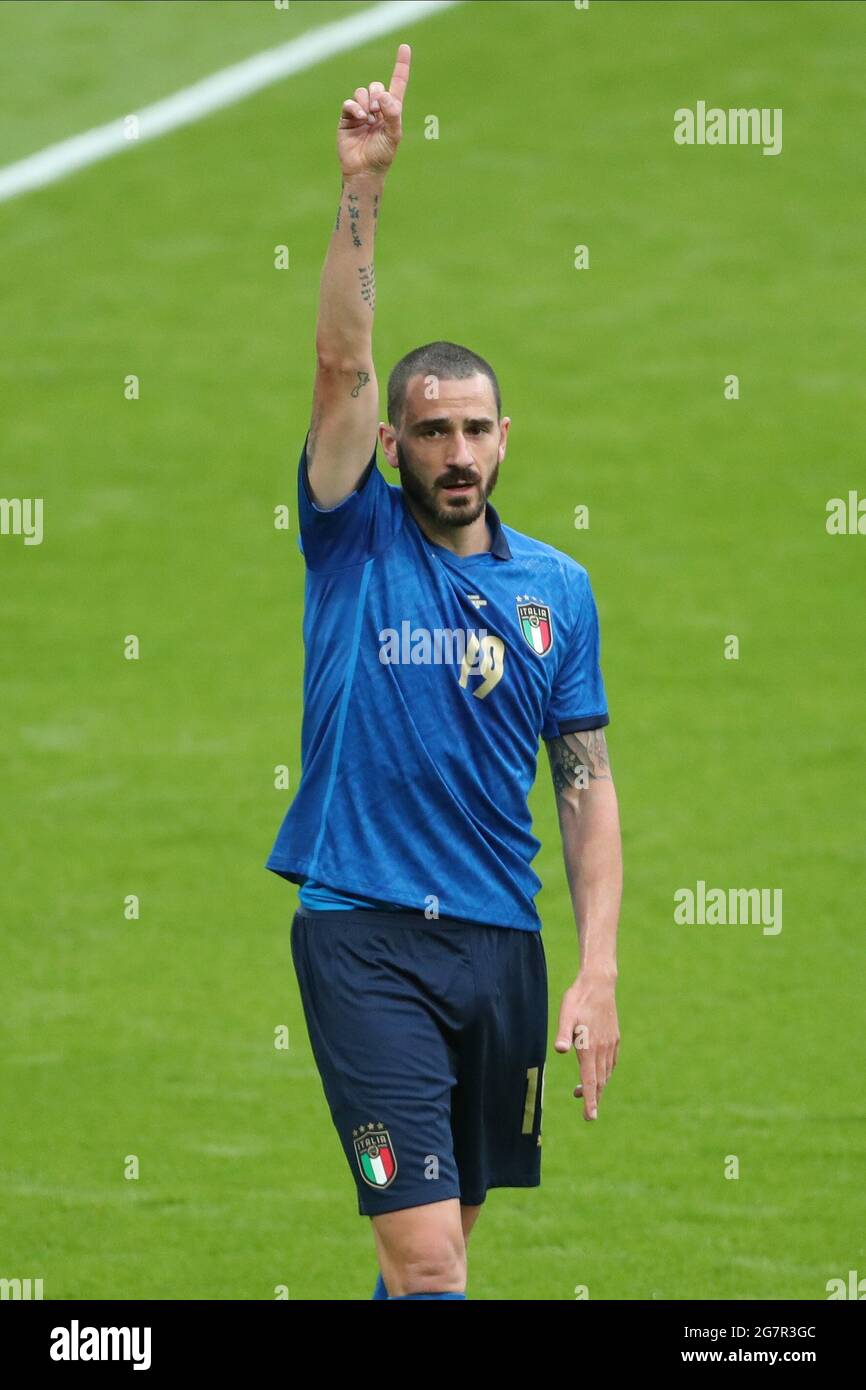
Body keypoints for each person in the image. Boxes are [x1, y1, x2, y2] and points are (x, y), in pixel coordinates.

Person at [266, 42, 622, 1301]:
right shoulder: (350, 532)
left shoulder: (554, 591)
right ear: (395, 443)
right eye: (431, 430)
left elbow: (580, 780)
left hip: (497, 947)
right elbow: (338, 364)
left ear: (504, 437)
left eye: (475, 428)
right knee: (427, 1263)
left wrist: (597, 964)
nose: (455, 450)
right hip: (362, 936)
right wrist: (364, 186)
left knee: (445, 1241)